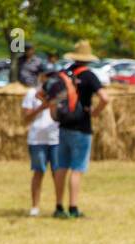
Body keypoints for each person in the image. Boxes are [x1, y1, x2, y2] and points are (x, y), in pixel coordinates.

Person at [45, 40, 111, 219]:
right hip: (82, 127)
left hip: (63, 125)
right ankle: (73, 207)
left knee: (61, 167)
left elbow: (49, 95)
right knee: (77, 168)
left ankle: (59, 207)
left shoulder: (65, 74)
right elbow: (105, 98)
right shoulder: (89, 76)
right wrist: (95, 113)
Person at [21, 67, 58, 217]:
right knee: (38, 172)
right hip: (37, 139)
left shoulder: (58, 94)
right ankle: (35, 206)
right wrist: (42, 106)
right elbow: (25, 118)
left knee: (58, 173)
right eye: (46, 76)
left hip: (56, 137)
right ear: (40, 76)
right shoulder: (31, 94)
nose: (49, 79)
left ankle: (59, 205)